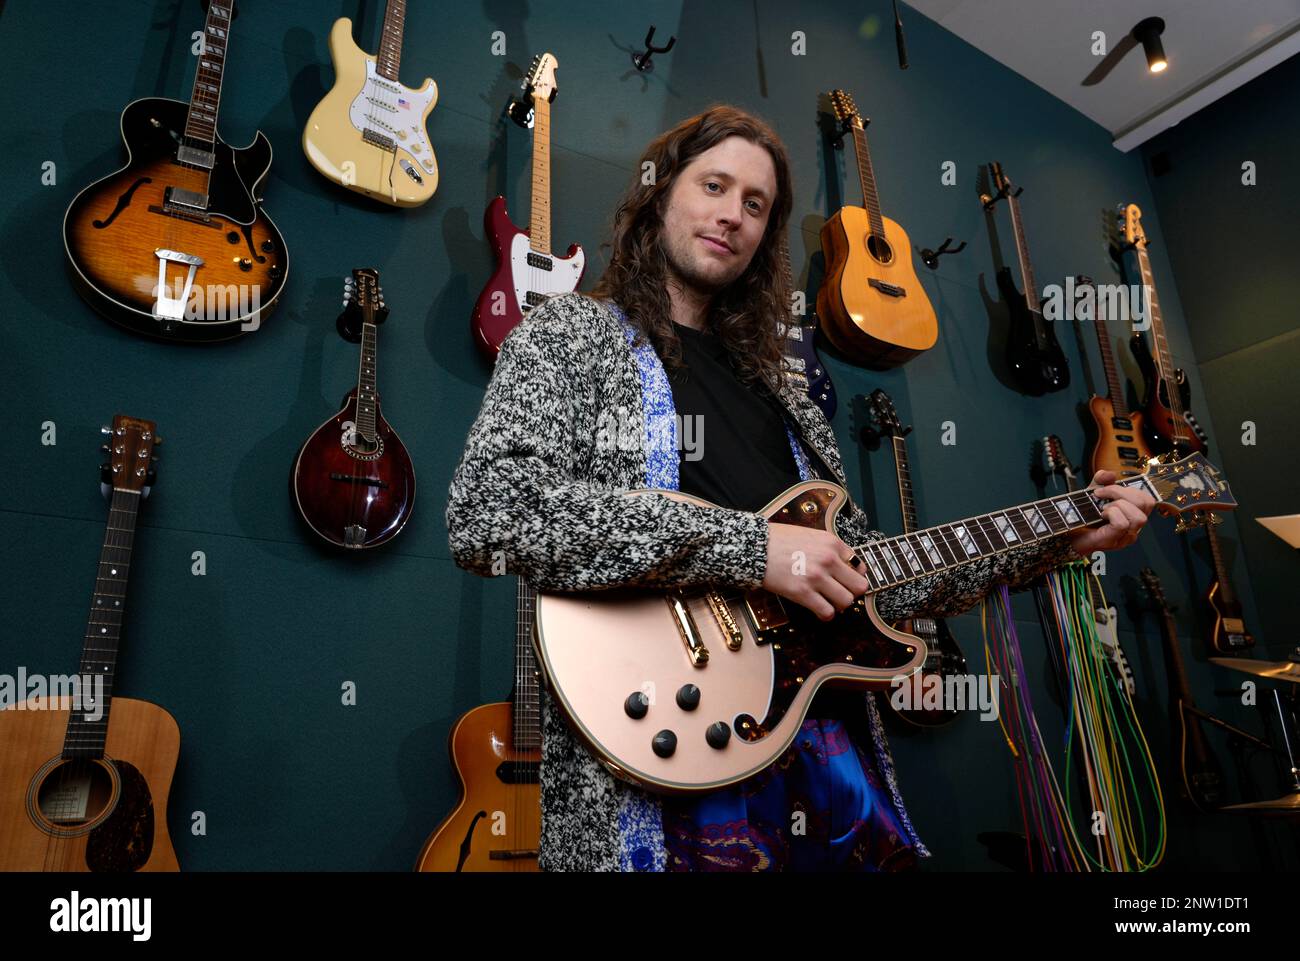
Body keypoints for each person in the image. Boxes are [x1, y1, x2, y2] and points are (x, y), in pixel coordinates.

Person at [445, 104, 1155, 871]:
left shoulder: (783, 391)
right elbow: (491, 510)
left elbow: (875, 575)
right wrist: (754, 550)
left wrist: (1057, 540)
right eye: (714, 185)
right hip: (660, 759)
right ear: (658, 195)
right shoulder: (571, 335)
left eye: (756, 204)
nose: (733, 216)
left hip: (824, 769)